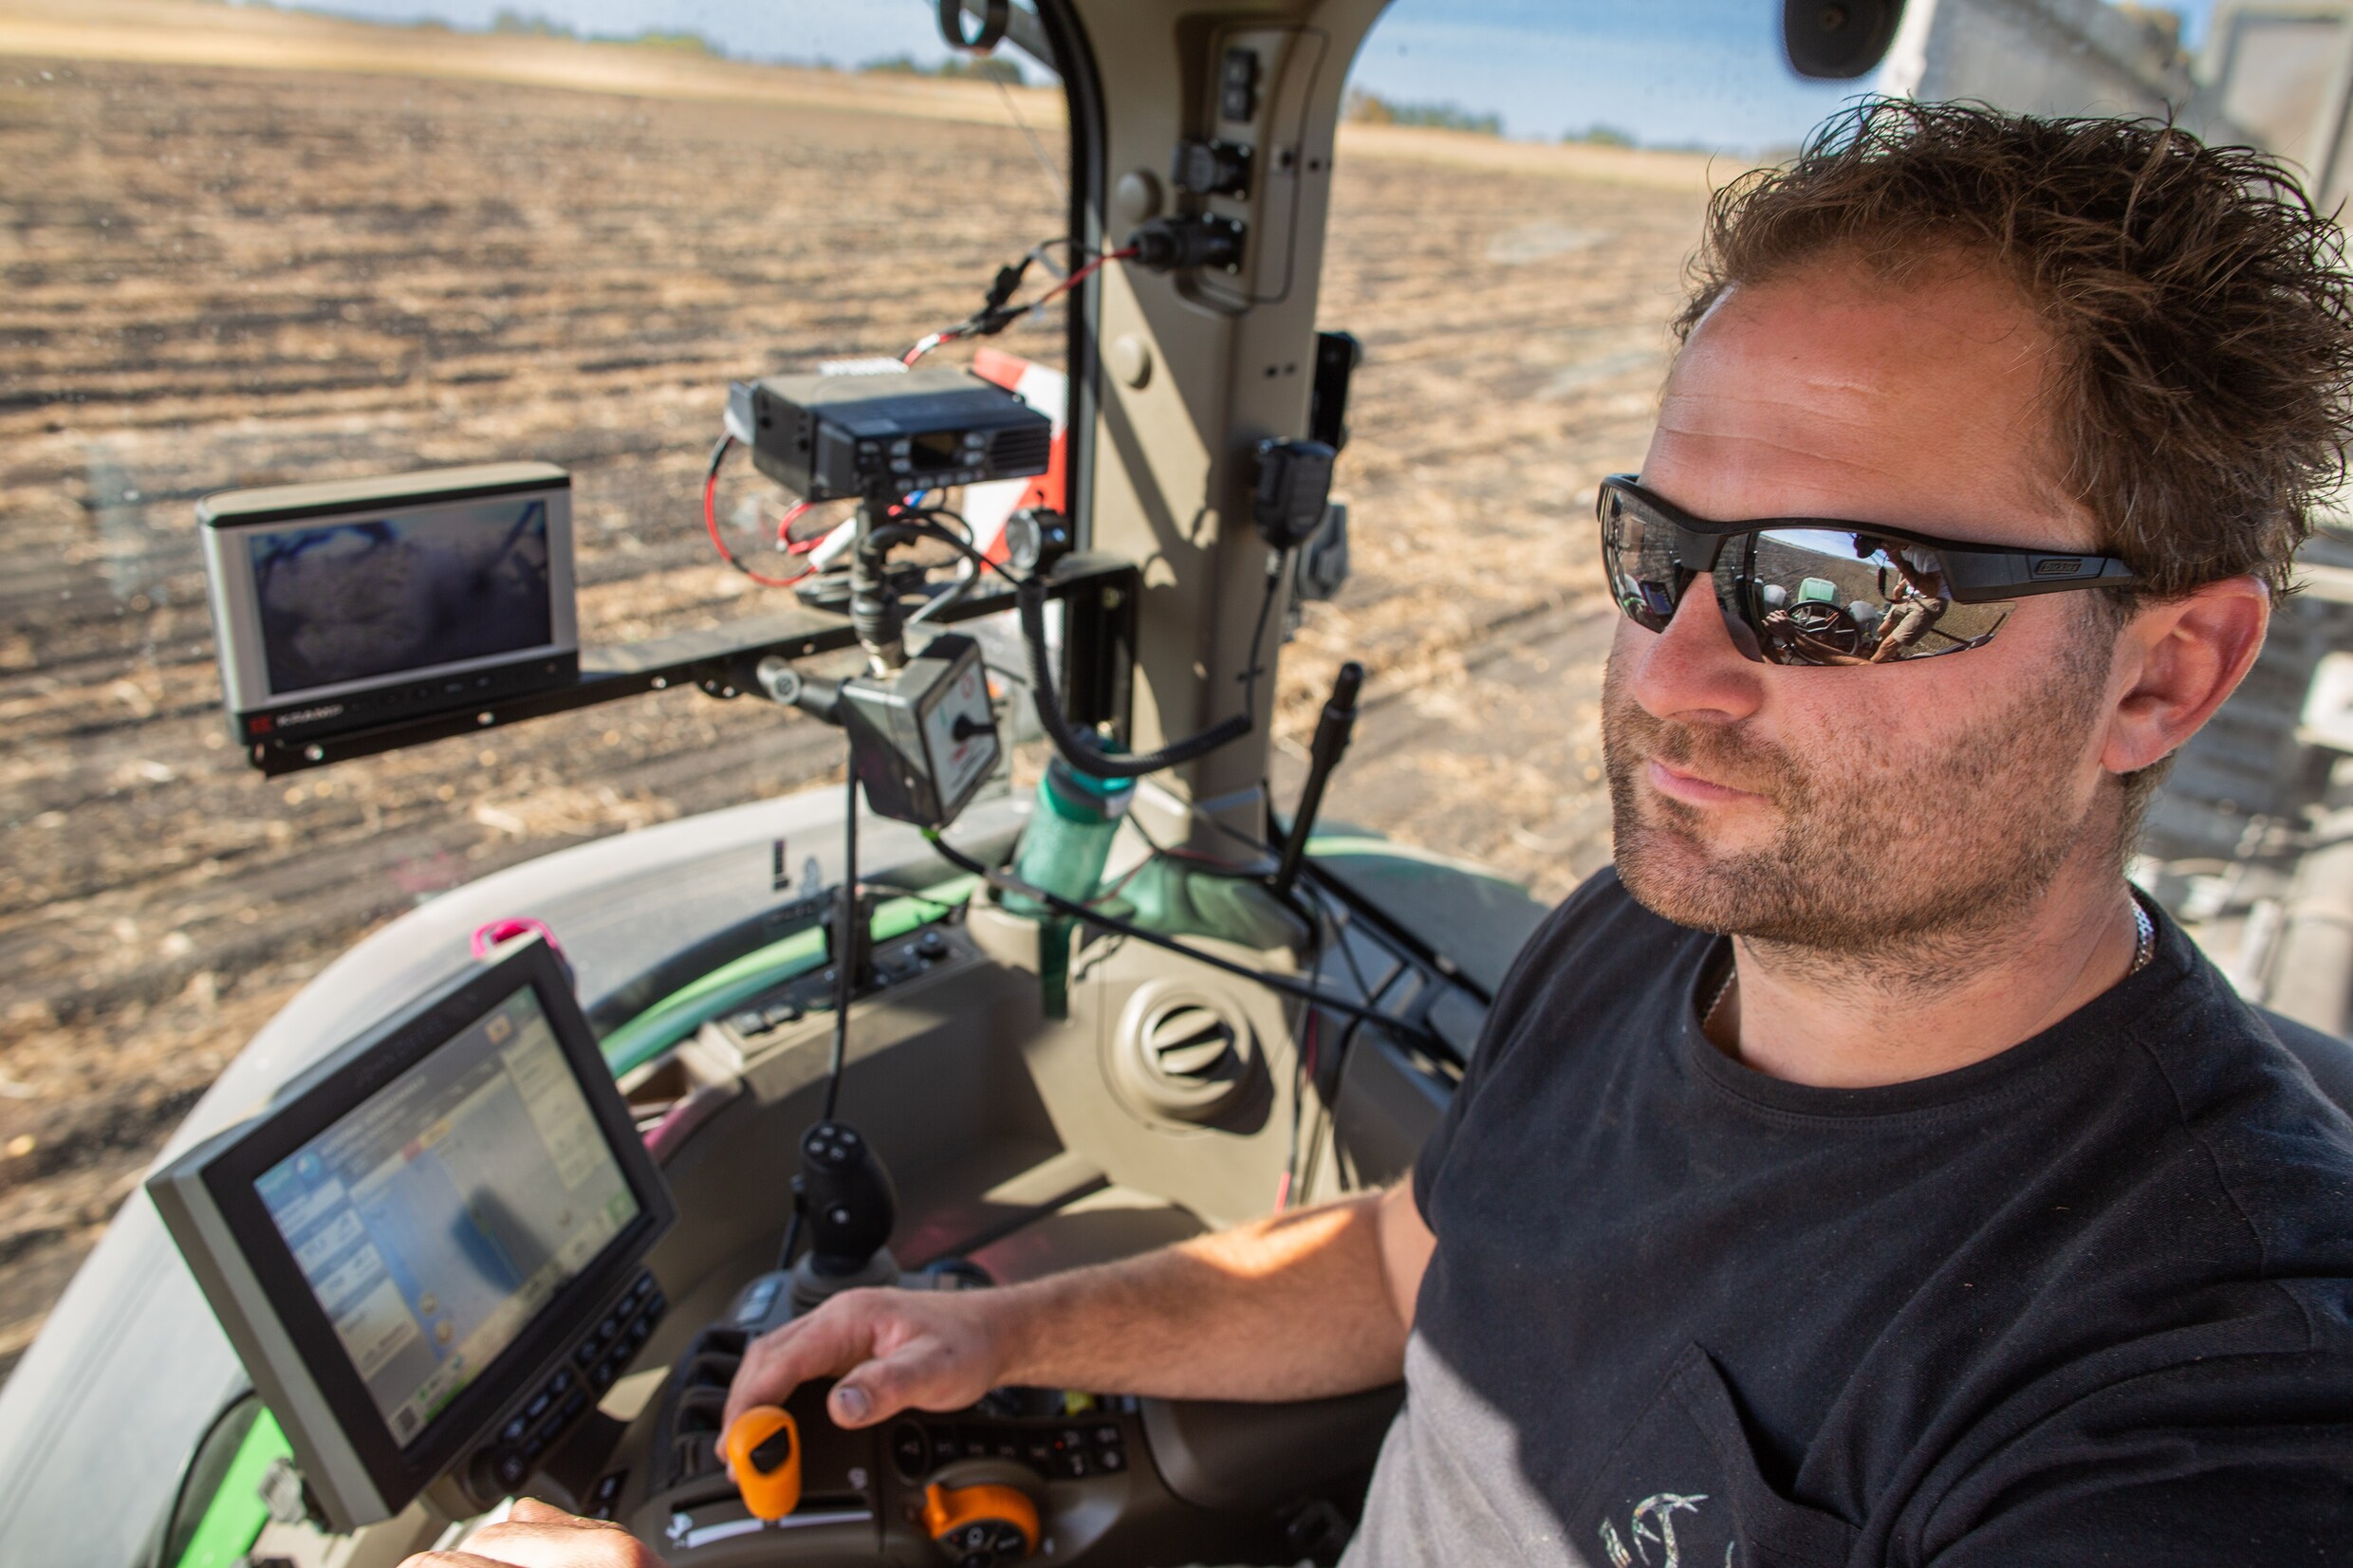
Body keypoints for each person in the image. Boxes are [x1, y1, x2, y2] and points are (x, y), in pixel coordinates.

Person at [406, 101, 2353, 1568]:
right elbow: (1432, 1255)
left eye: (1832, 589)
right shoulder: (1656, 935)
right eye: (1656, 549)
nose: (1672, 677)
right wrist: (997, 1328)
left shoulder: (2196, 1391)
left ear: (2162, 679)